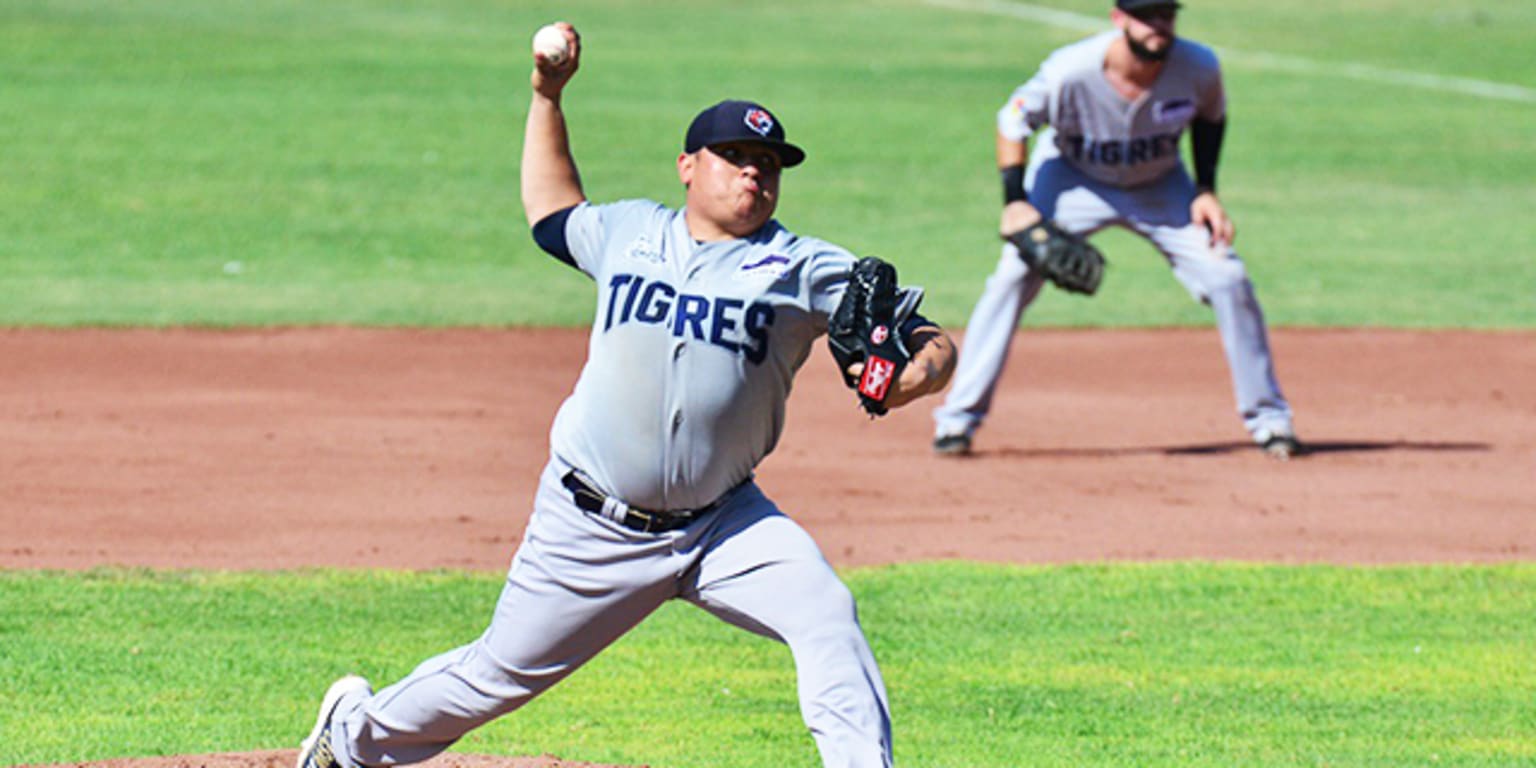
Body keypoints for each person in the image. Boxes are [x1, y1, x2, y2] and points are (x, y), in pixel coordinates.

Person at [294, 21, 956, 768]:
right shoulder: (629, 232)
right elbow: (550, 211)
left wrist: (910, 379)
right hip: (591, 525)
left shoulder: (806, 266)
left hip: (723, 525)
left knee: (826, 613)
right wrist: (548, 95)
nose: (754, 174)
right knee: (494, 678)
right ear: (687, 166)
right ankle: (350, 737)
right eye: (736, 156)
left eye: (768, 163)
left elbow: (932, 343)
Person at [931, 0, 1299, 460]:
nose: (1159, 25)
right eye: (1148, 15)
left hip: (1160, 185)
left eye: (1167, 14)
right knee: (1011, 276)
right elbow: (1013, 119)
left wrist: (1206, 189)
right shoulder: (1072, 69)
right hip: (1070, 178)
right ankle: (957, 421)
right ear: (1119, 19)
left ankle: (1270, 421)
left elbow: (1210, 118)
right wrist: (1015, 203)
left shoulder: (1199, 66)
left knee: (1228, 277)